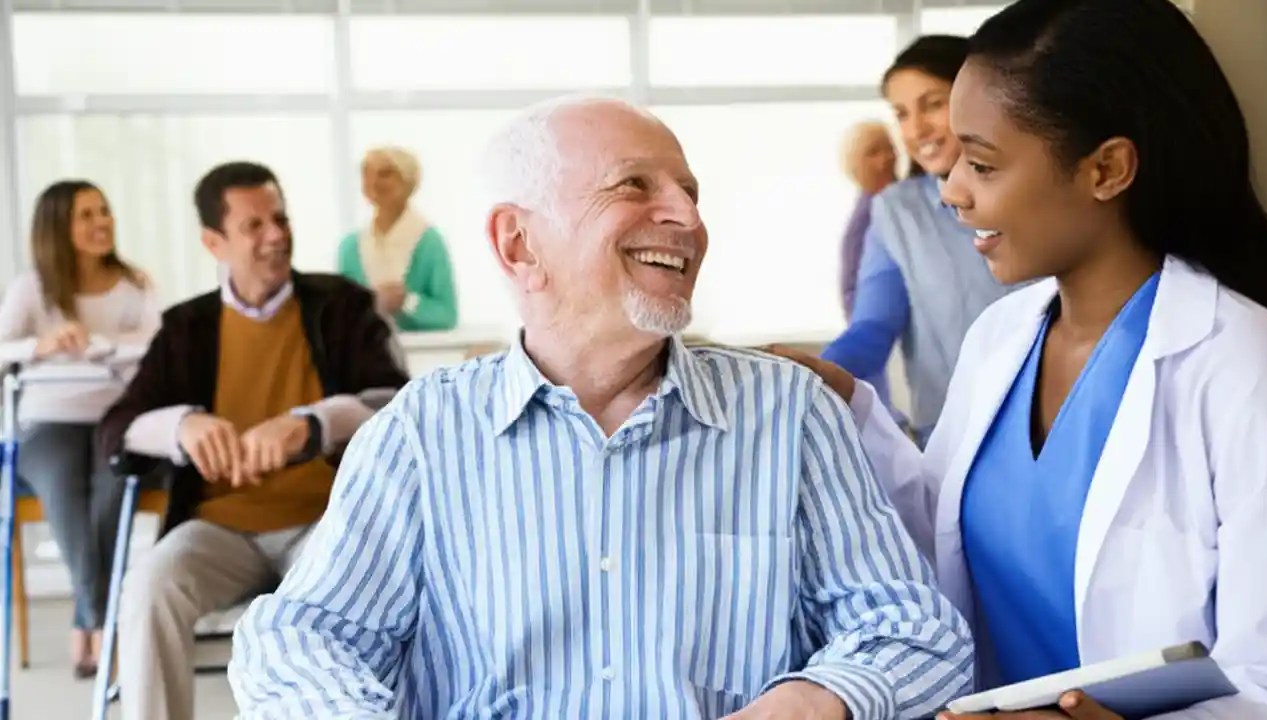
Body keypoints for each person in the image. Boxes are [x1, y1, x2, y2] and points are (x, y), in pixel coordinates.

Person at [228, 96, 975, 719]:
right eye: (634, 186)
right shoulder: (423, 432)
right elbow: (301, 639)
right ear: (518, 243)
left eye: (691, 191)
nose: (686, 216)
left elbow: (914, 629)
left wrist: (816, 698)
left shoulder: (790, 413)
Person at [777, 1, 1267, 718]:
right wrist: (847, 404)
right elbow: (944, 537)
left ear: (1106, 168)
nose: (951, 191)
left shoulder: (1241, 361)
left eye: (980, 163)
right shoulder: (1002, 336)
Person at [96, 161, 409, 720]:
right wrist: (182, 425)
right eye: (254, 225)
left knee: (345, 613)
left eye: (281, 219)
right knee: (148, 586)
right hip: (221, 531)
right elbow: (118, 429)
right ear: (213, 241)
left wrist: (314, 422)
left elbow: (401, 407)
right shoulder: (186, 327)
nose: (277, 235)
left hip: (326, 526)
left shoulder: (341, 306)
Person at [0, 180, 159, 677]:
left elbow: (160, 344)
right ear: (58, 229)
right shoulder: (34, 287)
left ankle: (88, 626)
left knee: (112, 499)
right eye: (86, 215)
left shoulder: (136, 284)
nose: (101, 223)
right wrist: (41, 345)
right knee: (67, 504)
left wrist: (105, 341)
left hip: (116, 419)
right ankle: (101, 623)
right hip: (49, 422)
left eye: (104, 211)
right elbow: (4, 347)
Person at [821, 36, 1011, 447]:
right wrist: (814, 373)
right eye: (901, 114)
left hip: (1051, 430)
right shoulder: (896, 211)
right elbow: (872, 325)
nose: (915, 130)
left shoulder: (1032, 194)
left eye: (932, 104)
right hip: (948, 441)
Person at [338, 146, 459, 331]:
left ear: (407, 181)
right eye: (367, 173)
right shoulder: (350, 247)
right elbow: (340, 316)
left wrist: (406, 301)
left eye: (385, 174)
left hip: (423, 353)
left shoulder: (429, 242)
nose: (373, 182)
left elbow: (447, 315)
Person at [837, 120, 897, 320]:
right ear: (855, 165)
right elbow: (851, 296)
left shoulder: (909, 201)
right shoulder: (863, 222)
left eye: (889, 148)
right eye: (873, 153)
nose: (886, 158)